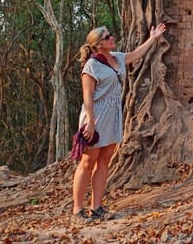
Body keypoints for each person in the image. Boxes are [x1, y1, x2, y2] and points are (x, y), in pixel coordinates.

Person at [70, 23, 168, 225]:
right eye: (108, 37)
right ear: (98, 45)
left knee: (104, 162)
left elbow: (135, 55)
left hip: (113, 117)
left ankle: (96, 207)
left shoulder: (117, 58)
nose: (112, 38)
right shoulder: (92, 66)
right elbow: (87, 96)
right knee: (88, 163)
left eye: (110, 35)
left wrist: (154, 37)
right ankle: (77, 210)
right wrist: (90, 121)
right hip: (95, 117)